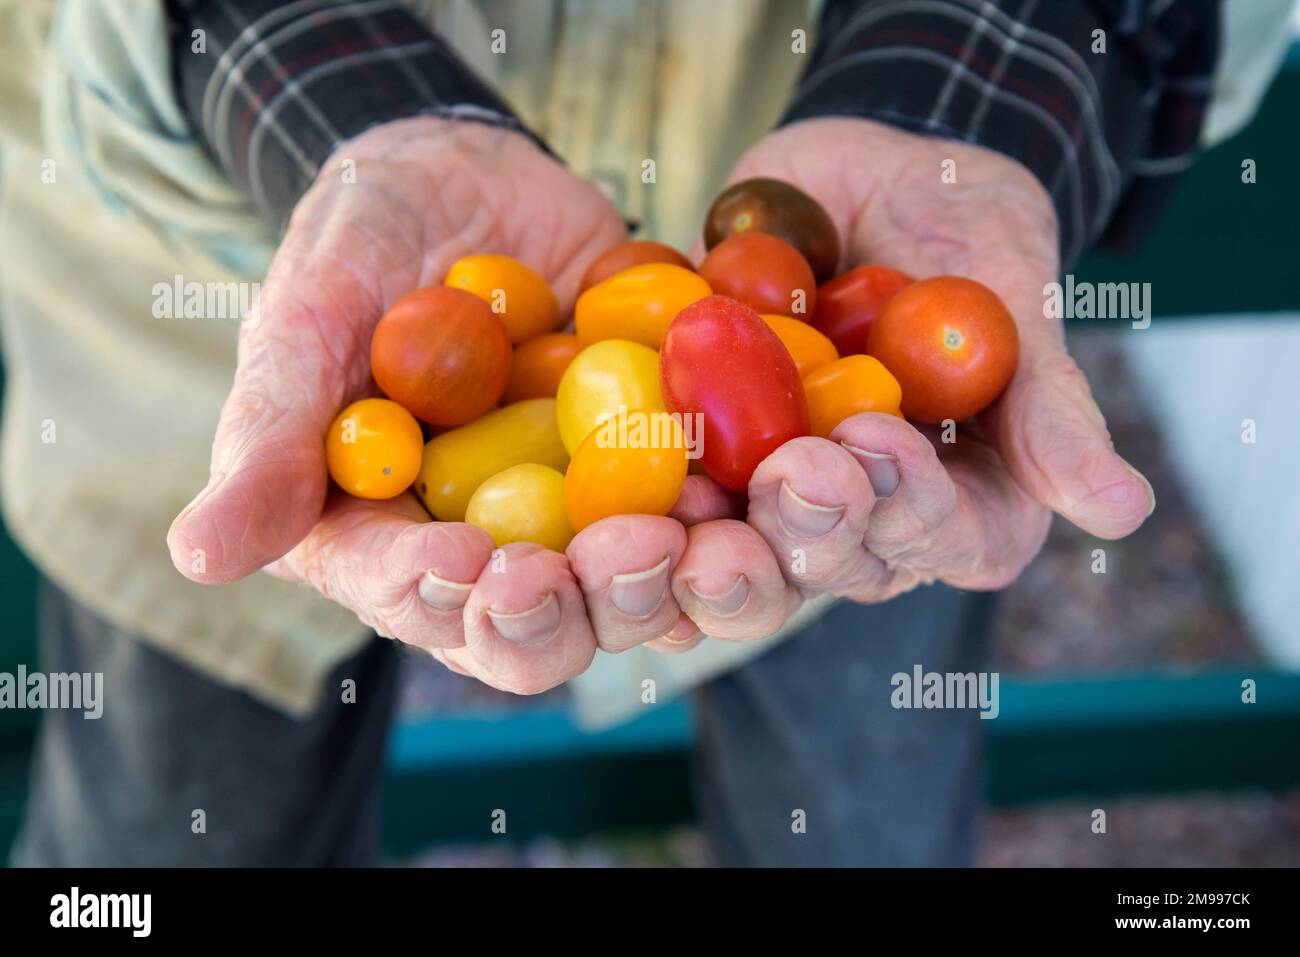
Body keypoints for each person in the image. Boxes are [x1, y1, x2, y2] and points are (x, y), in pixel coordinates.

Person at [2, 0, 1287, 866]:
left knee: (864, 809)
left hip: (864, 483)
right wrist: (326, 90)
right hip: (196, 331)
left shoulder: (826, 387)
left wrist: (958, 101)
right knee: (159, 842)